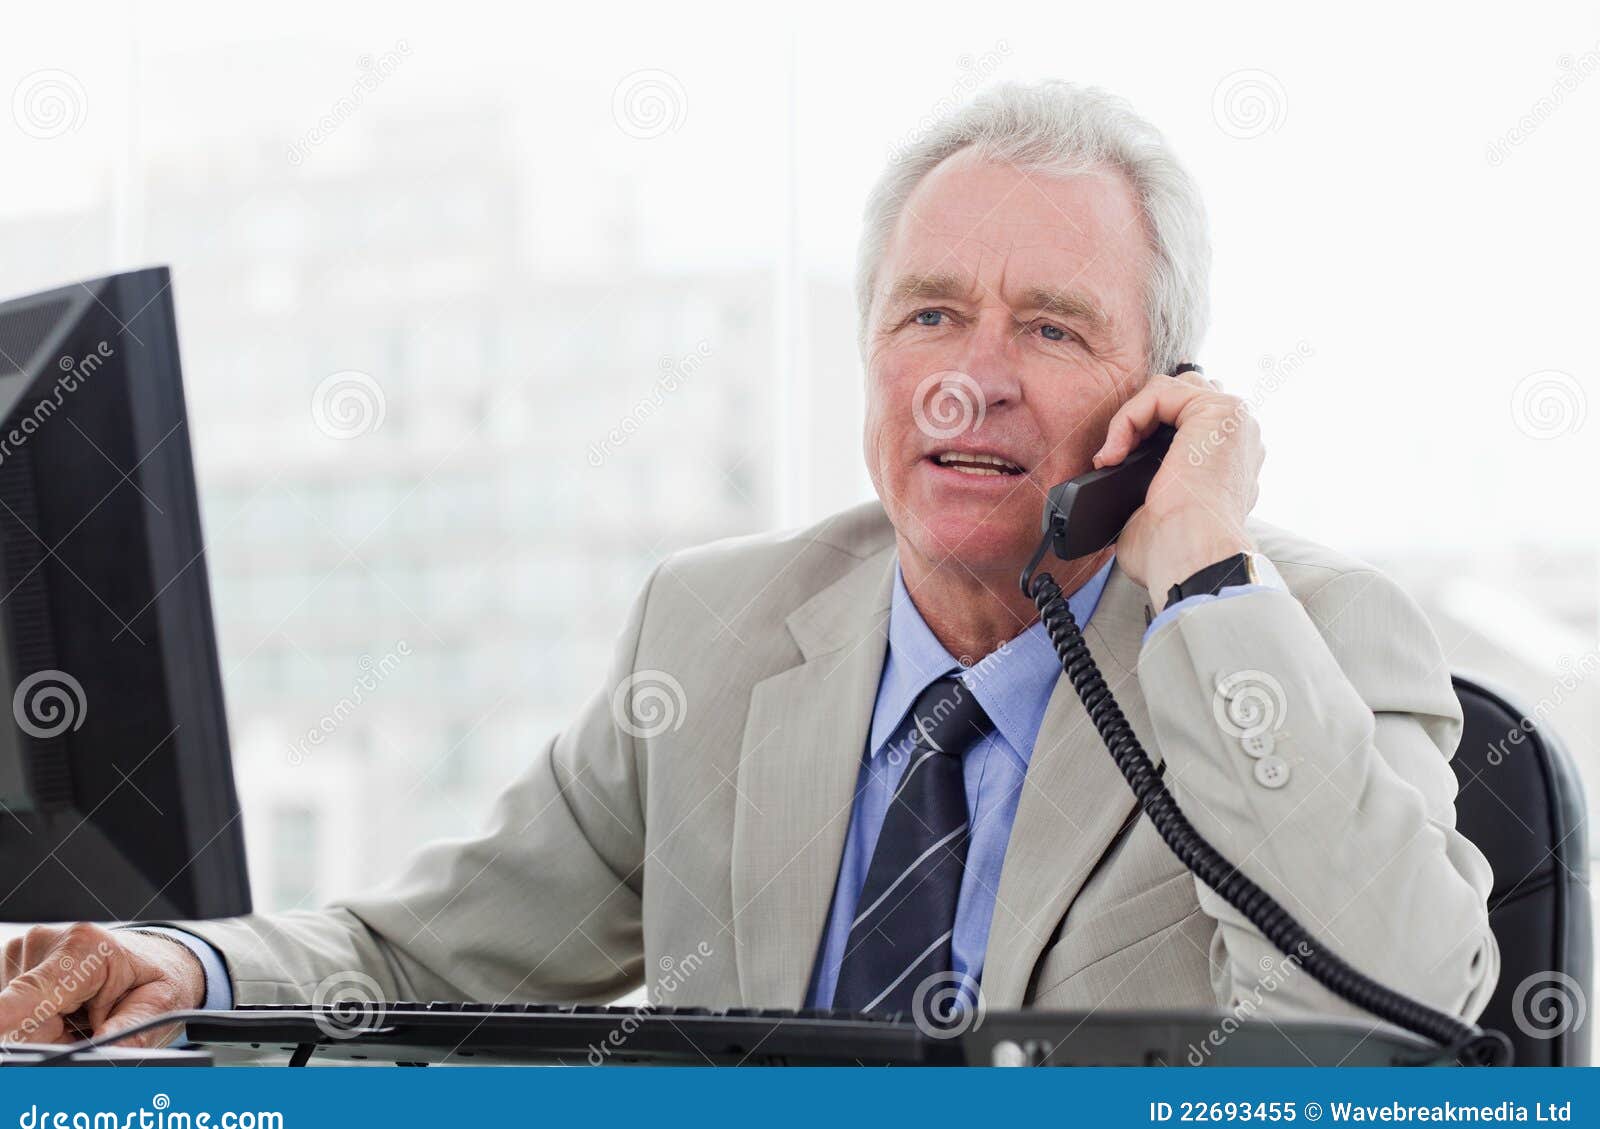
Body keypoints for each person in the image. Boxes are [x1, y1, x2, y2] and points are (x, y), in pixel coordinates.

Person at [0, 80, 1497, 1048]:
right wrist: (182, 969)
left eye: (1050, 327)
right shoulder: (711, 631)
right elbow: (428, 956)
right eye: (928, 316)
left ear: (1160, 396)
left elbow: (1400, 1012)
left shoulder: (1301, 635)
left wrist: (1203, 574)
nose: (968, 382)